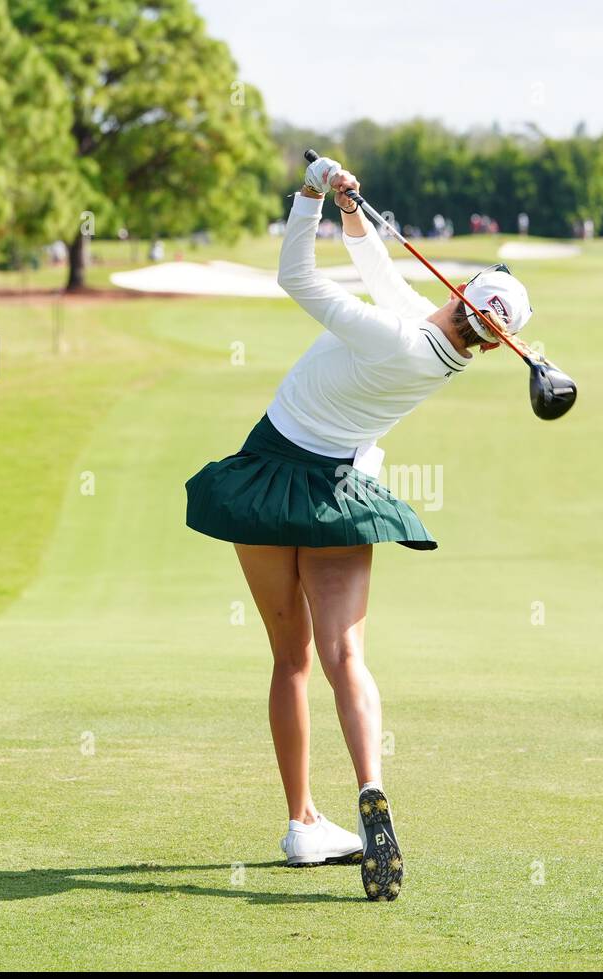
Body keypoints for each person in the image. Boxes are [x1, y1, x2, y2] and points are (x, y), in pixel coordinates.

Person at [185, 156, 532, 902]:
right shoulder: (438, 350)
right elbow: (384, 277)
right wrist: (354, 213)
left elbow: (297, 280)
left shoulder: (399, 338)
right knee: (346, 653)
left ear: (463, 294)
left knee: (292, 661)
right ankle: (371, 784)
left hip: (269, 478)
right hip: (340, 494)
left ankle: (303, 821)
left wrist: (309, 197)